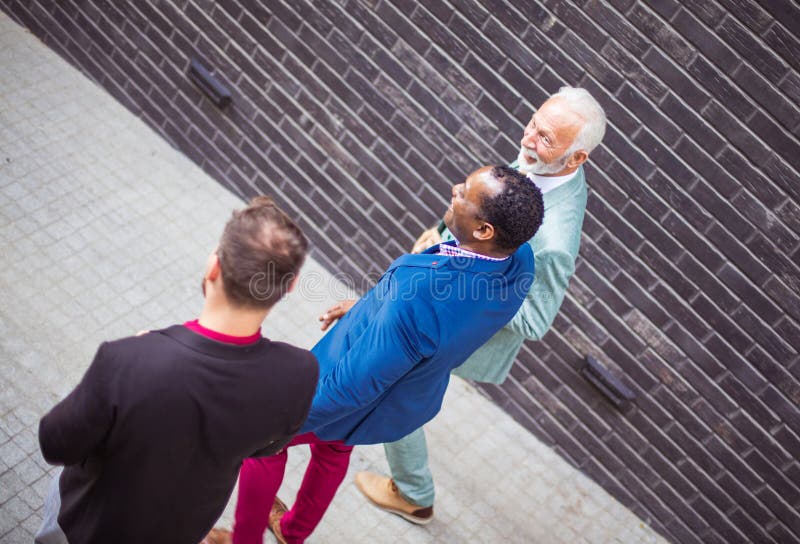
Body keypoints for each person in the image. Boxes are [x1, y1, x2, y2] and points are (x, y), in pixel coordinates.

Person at [207, 165, 544, 544]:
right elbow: (428, 323)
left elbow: (353, 388)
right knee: (334, 448)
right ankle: (293, 531)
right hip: (400, 392)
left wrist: (279, 422)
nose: (454, 190)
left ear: (485, 231)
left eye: (465, 193)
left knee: (263, 446)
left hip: (352, 383)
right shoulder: (519, 260)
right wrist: (371, 306)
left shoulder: (418, 299)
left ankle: (243, 541)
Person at [354, 86, 607, 524]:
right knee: (392, 383)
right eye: (533, 124)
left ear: (576, 158)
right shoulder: (538, 157)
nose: (528, 140)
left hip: (455, 329)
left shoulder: (555, 239)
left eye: (545, 138)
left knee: (396, 392)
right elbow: (485, 203)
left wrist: (458, 270)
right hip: (433, 304)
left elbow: (536, 321)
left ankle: (413, 494)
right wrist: (439, 234)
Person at [35, 196, 319, 544]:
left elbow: (55, 442)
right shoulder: (301, 373)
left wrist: (124, 367)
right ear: (289, 287)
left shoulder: (127, 361)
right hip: (183, 529)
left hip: (90, 528)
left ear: (214, 267)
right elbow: (266, 447)